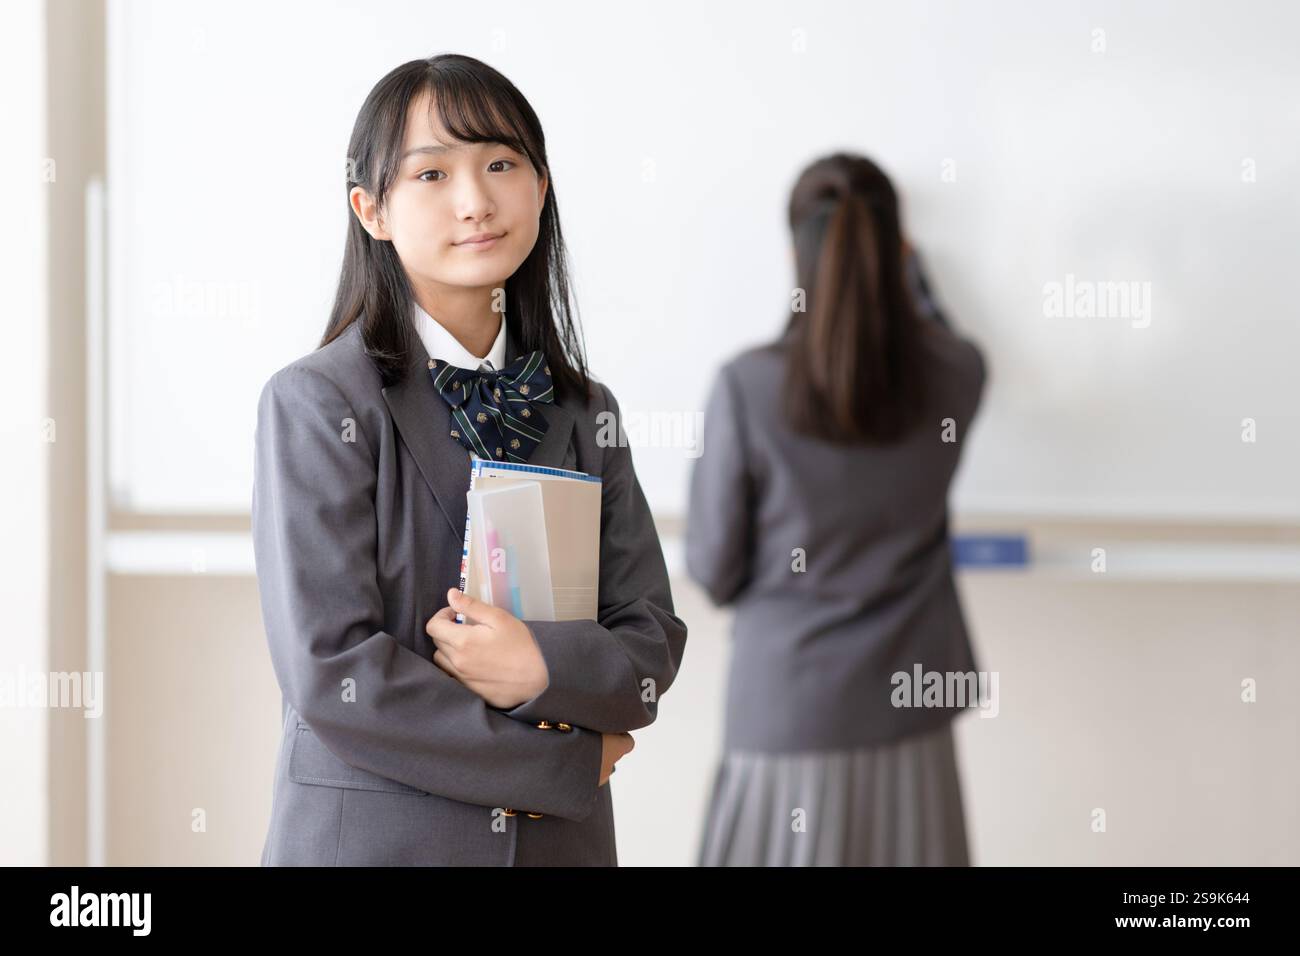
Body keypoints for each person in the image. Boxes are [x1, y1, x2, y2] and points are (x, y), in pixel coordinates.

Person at [252, 53, 687, 866]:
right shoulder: (317, 404)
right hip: (380, 848)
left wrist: (539, 665)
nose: (475, 201)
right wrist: (561, 760)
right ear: (371, 209)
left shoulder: (587, 410)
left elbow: (650, 644)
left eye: (499, 164)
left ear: (541, 187)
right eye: (431, 174)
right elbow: (333, 674)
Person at [687, 152, 986, 866]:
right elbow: (936, 331)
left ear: (796, 251)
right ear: (896, 249)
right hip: (913, 717)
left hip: (788, 719)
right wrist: (911, 276)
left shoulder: (747, 387)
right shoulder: (956, 374)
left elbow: (713, 570)